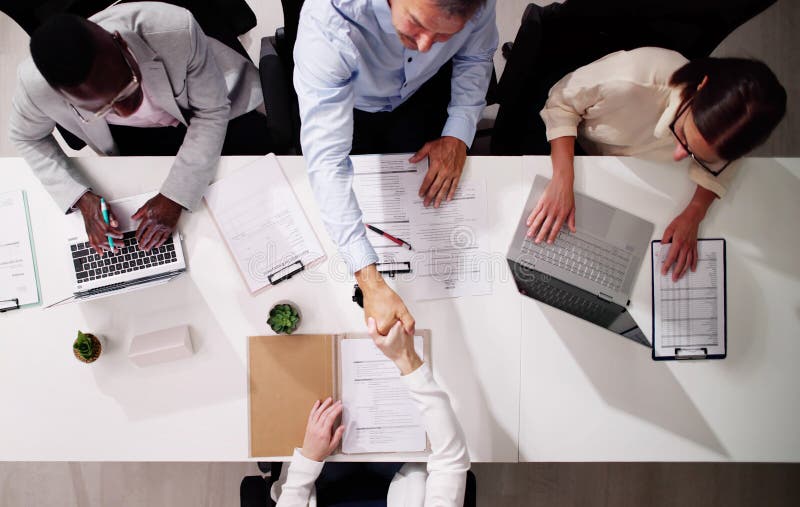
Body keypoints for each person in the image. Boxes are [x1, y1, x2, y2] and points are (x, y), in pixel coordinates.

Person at [294, 0, 498, 336]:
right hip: (352, 102)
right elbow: (328, 160)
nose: (425, 46)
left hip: (423, 92)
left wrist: (458, 132)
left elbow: (474, 58)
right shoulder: (327, 22)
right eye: (417, 23)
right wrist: (370, 280)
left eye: (444, 35)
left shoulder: (479, 4)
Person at [8, 2, 265, 256]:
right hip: (133, 139)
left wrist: (176, 194)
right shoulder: (35, 87)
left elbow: (211, 111)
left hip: (218, 109)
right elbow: (25, 137)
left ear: (120, 43)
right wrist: (79, 197)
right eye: (103, 108)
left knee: (249, 208)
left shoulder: (174, 29)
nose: (125, 111)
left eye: (127, 88)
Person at [527, 47, 786, 281]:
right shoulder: (631, 80)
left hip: (628, 175)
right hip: (574, 142)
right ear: (701, 86)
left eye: (696, 155)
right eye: (682, 134)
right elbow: (560, 103)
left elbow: (726, 164)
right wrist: (563, 178)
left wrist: (695, 212)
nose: (679, 155)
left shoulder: (731, 131)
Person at [269, 318, 470, 506]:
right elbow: (450, 460)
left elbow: (294, 492)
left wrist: (309, 459)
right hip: (402, 466)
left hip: (322, 475)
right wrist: (406, 359)